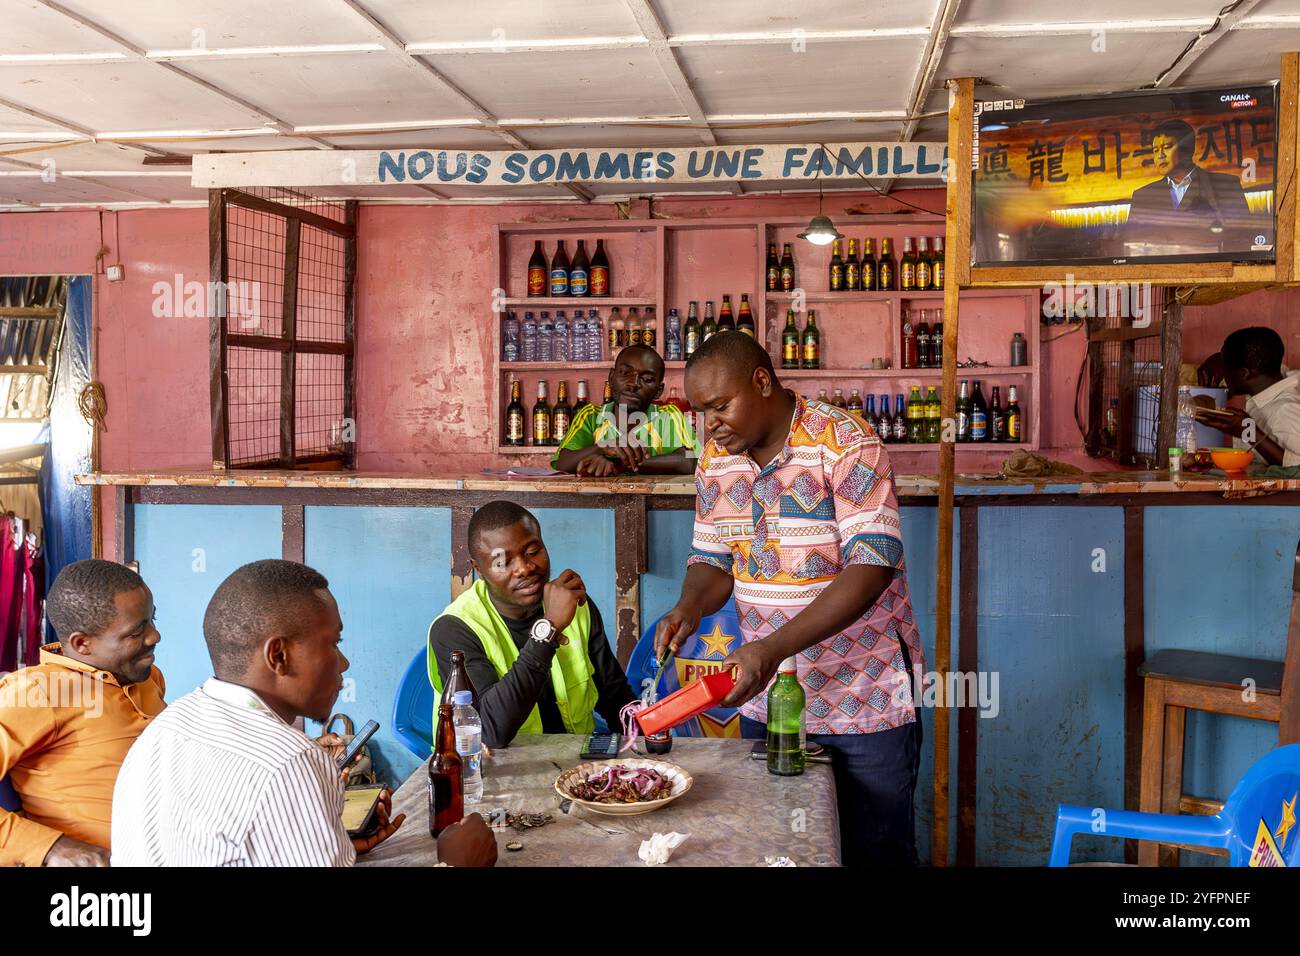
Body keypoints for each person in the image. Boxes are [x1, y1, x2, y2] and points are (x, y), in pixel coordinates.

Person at [655, 331, 925, 867]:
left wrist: (770, 648)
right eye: (702, 412)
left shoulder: (847, 443)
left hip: (865, 693)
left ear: (762, 381)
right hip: (771, 696)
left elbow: (871, 567)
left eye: (720, 406)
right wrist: (689, 605)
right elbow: (712, 561)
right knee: (780, 847)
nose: (711, 424)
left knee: (876, 850)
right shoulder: (716, 460)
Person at [111, 559, 495, 867]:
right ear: (278, 656)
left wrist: (328, 845)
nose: (343, 662)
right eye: (333, 643)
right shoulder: (291, 763)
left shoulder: (165, 729)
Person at [428, 501, 636, 749]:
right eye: (502, 562)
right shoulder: (454, 629)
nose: (525, 568)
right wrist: (548, 630)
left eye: (532, 551)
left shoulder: (574, 604)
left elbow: (614, 696)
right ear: (479, 569)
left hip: (575, 768)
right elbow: (491, 731)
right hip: (492, 776)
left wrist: (649, 749)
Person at [0, 560, 165, 867]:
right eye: (137, 631)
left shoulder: (147, 676)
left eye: (152, 620)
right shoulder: (39, 692)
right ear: (81, 643)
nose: (154, 636)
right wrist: (52, 848)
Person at [552, 345, 700, 476]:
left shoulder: (668, 416)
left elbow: (691, 460)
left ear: (658, 391)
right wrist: (604, 447)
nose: (633, 384)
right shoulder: (590, 416)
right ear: (611, 377)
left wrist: (620, 464)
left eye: (647, 379)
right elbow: (562, 462)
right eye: (625, 373)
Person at [1123, 119, 1255, 256]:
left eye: (1167, 147)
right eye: (1156, 150)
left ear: (1187, 149)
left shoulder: (1225, 185)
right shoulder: (1143, 195)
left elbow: (1244, 238)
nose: (1160, 155)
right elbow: (1131, 247)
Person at [1204, 326, 1300, 466]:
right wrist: (1220, 359)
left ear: (1244, 373)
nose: (1223, 374)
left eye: (1225, 368)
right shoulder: (1267, 385)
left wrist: (1251, 433)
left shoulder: (1285, 411)